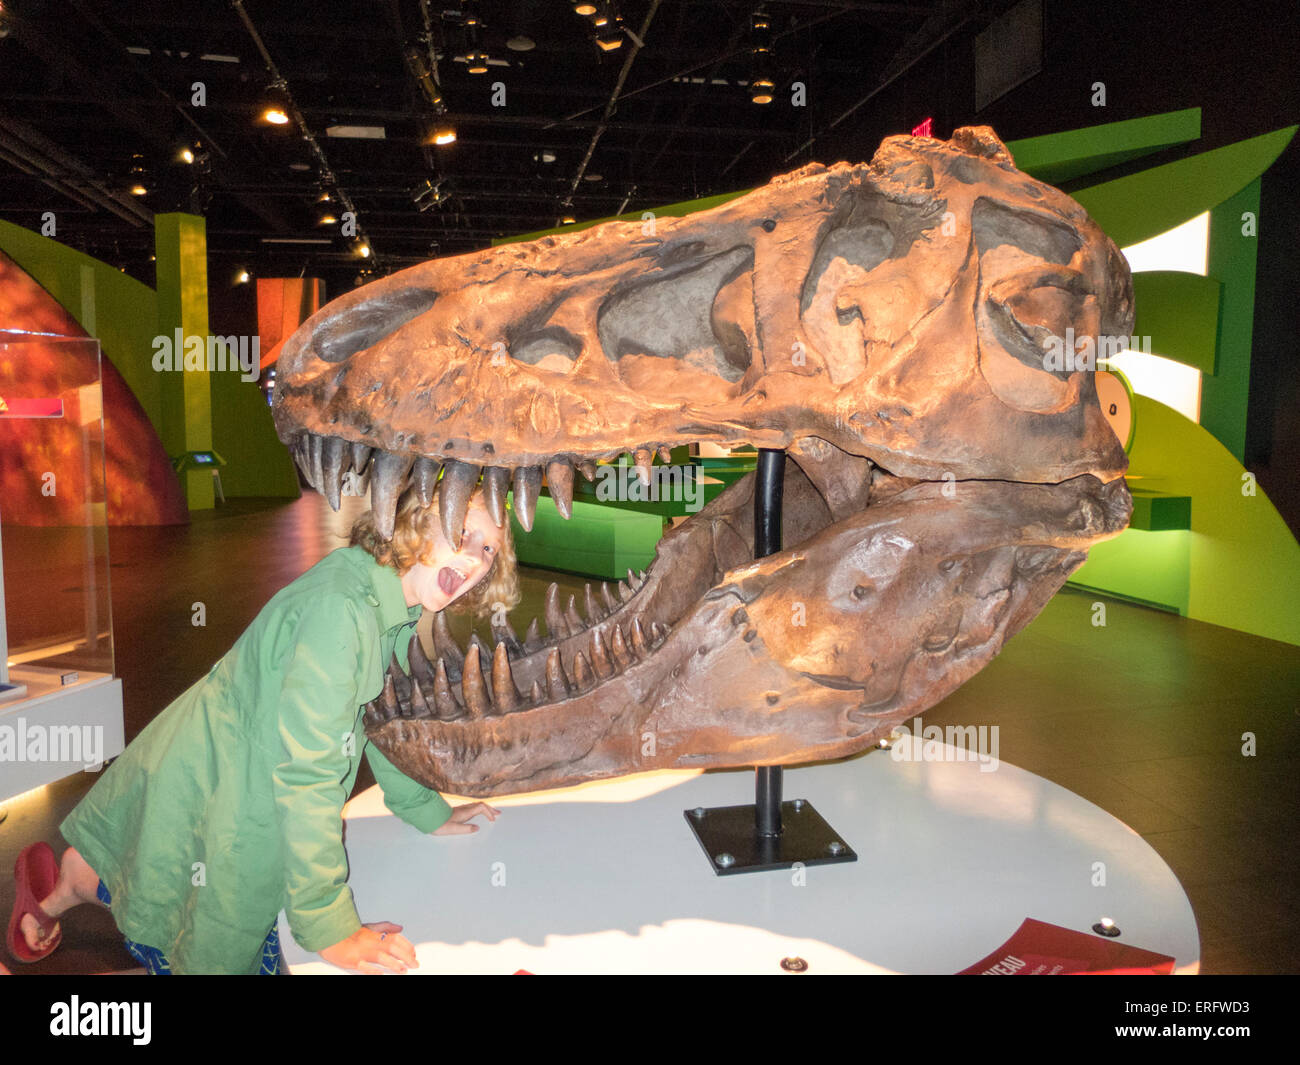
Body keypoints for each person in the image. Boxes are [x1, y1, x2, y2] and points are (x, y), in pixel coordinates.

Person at [8, 482, 520, 974]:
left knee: (201, 901)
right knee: (208, 938)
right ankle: (79, 879)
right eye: (461, 535)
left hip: (233, 766)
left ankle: (77, 878)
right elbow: (308, 774)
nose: (475, 560)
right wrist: (331, 926)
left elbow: (377, 711)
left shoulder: (387, 596)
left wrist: (422, 808)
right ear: (413, 524)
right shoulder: (343, 612)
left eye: (489, 549)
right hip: (223, 779)